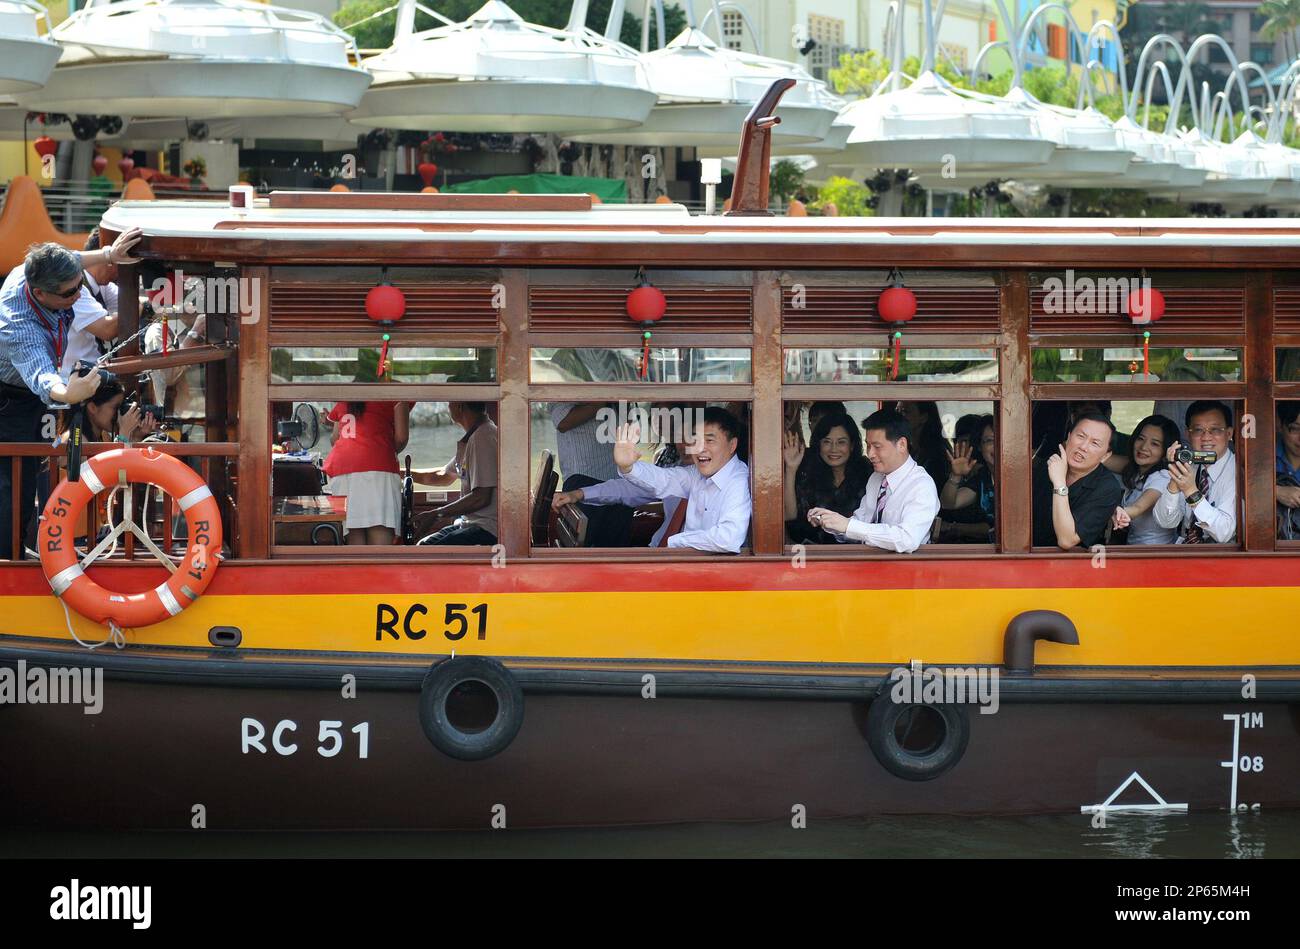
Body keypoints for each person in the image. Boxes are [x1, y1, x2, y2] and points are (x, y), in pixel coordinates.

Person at [0, 230, 142, 559]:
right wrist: (67, 392)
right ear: (40, 293)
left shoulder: (35, 268)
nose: (79, 295)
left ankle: (22, 550)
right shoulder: (19, 327)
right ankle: (9, 565)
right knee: (11, 486)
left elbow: (71, 258)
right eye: (69, 293)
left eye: (81, 285)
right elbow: (41, 376)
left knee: (35, 471)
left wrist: (109, 254)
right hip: (10, 400)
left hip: (35, 395)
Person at [608, 406, 750, 553]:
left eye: (709, 440)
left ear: (732, 445)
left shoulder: (739, 480)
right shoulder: (696, 474)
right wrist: (628, 467)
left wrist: (676, 541)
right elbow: (664, 479)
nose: (700, 448)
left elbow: (728, 539)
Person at [808, 408, 939, 553]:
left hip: (906, 571)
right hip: (871, 565)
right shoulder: (876, 478)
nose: (870, 454)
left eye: (877, 446)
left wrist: (848, 526)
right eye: (868, 446)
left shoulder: (921, 485)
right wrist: (832, 522)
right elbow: (860, 525)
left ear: (902, 444)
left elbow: (907, 539)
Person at [551, 433, 692, 547]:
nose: (685, 444)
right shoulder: (679, 476)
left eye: (694, 437)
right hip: (656, 552)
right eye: (681, 436)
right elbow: (628, 488)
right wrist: (579, 494)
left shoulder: (704, 483)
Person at [322, 400, 411, 545]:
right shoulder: (394, 393)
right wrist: (381, 449)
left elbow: (335, 439)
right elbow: (401, 438)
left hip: (343, 470)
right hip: (379, 472)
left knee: (355, 545)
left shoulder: (344, 400)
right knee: (379, 549)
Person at [1031, 413, 1124, 550]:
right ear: (1068, 437)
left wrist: (1059, 483)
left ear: (1105, 456)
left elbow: (1067, 540)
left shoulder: (1107, 488)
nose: (1083, 447)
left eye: (1095, 443)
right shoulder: (1048, 465)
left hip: (1074, 565)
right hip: (1027, 555)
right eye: (1080, 436)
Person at [411, 401, 498, 545]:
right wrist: (399, 473)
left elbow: (482, 497)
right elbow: (443, 476)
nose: (447, 406)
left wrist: (436, 514)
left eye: (449, 402)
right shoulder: (474, 436)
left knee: (425, 553)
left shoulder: (482, 437)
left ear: (459, 406)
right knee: (423, 546)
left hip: (488, 529)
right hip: (472, 523)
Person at [1153, 400, 1237, 544]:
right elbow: (1166, 522)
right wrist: (1175, 477)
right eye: (1198, 430)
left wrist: (1190, 490)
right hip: (1184, 551)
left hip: (1223, 557)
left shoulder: (1238, 470)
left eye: (1215, 430)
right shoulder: (1189, 464)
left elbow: (1224, 533)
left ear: (1229, 433)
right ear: (1188, 434)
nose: (1206, 437)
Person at [783, 411, 871, 544]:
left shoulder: (867, 472)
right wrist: (791, 468)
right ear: (819, 445)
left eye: (841, 442)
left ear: (852, 445)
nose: (833, 449)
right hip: (813, 554)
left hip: (856, 554)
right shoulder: (808, 471)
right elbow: (789, 516)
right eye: (827, 442)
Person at [548, 401, 627, 546]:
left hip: (618, 481)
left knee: (614, 553)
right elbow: (562, 421)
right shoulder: (569, 386)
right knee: (589, 552)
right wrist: (605, 398)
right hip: (584, 478)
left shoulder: (613, 383)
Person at [1109, 415, 1181, 545]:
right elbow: (1101, 460)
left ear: (1166, 450)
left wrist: (1118, 511)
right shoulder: (1138, 469)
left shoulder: (1163, 477)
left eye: (1154, 444)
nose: (1143, 447)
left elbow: (1137, 508)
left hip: (1155, 555)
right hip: (1133, 549)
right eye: (1140, 439)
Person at [60, 228, 120, 379]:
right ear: (110, 261)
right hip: (74, 381)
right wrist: (137, 307)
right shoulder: (73, 287)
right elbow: (107, 329)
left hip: (95, 374)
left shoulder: (101, 284)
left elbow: (123, 300)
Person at [937, 414, 996, 542]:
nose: (997, 445)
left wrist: (953, 527)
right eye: (990, 440)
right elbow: (949, 503)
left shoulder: (1025, 476)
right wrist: (956, 475)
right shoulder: (983, 478)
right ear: (979, 446)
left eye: (1002, 438)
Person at [895, 400, 949, 489]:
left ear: (923, 417)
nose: (898, 417)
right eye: (897, 411)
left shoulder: (936, 456)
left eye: (905, 412)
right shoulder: (909, 449)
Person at [1277, 402, 1300, 539]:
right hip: (1276, 544)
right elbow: (1241, 487)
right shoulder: (1263, 456)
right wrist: (1276, 491)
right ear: (1280, 426)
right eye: (1295, 429)